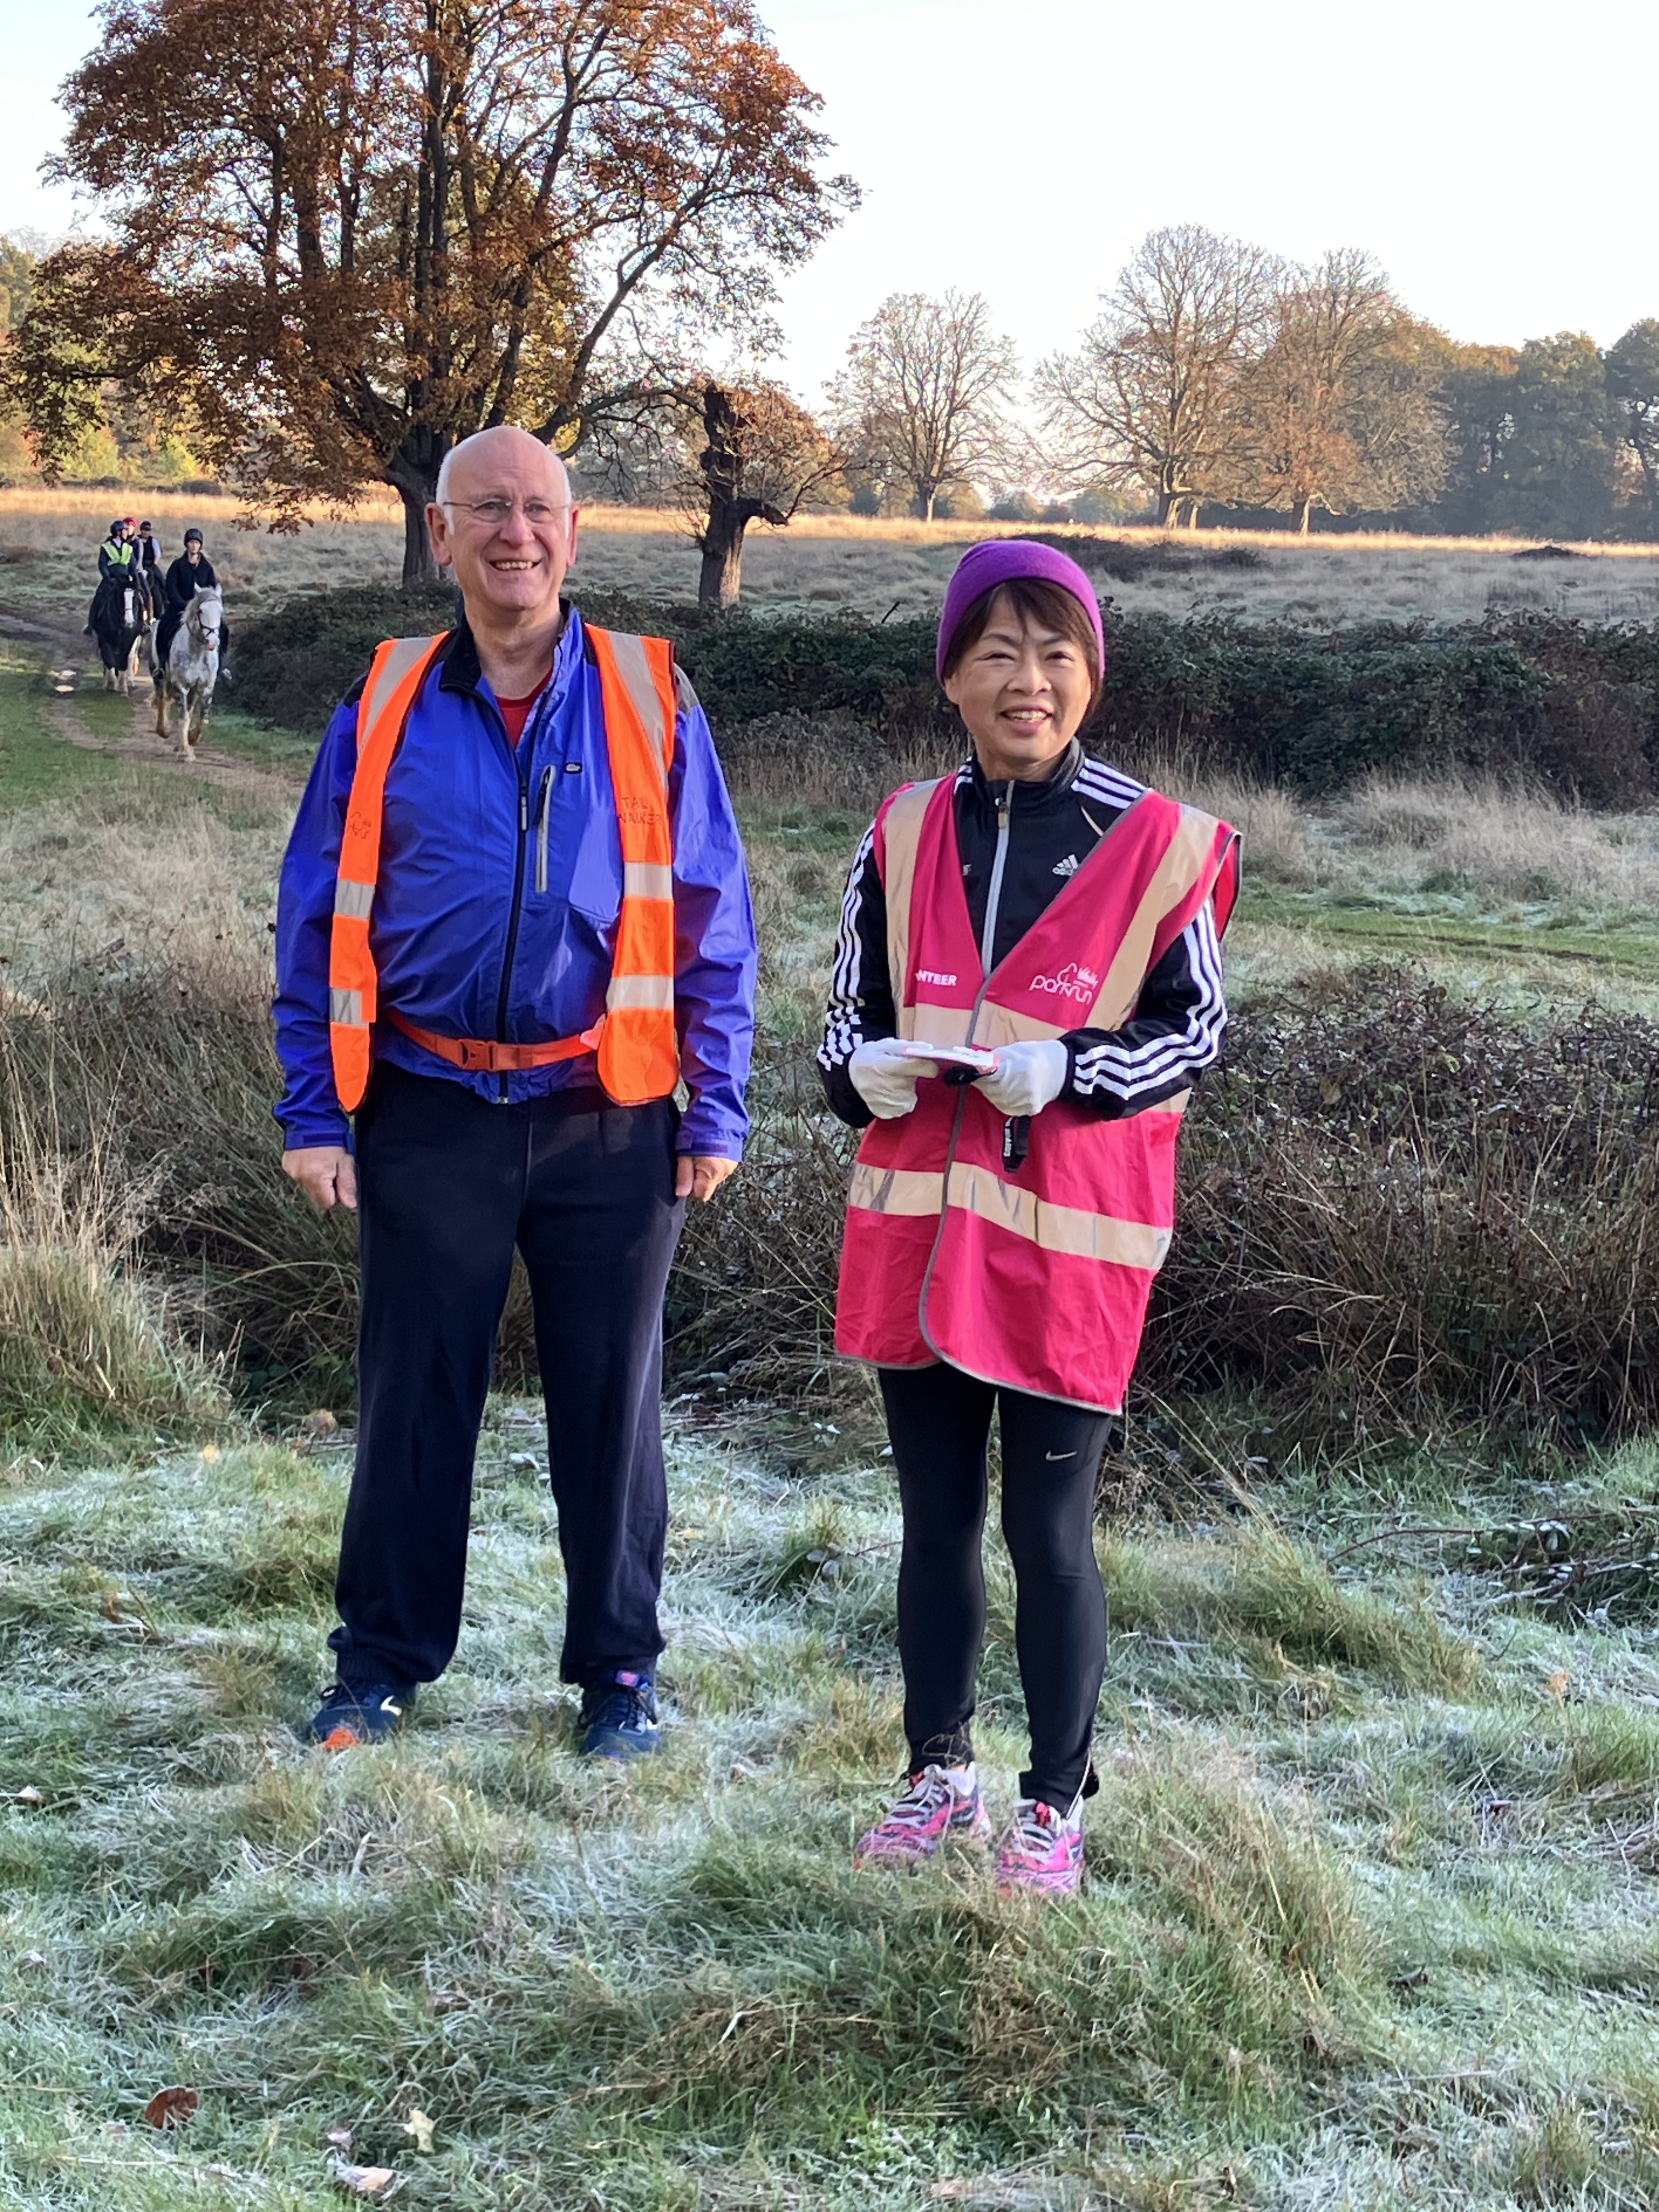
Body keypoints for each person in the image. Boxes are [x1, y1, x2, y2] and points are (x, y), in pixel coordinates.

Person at [274, 425, 756, 1759]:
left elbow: (713, 912)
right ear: (441, 536)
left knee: (613, 1400)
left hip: (612, 1112)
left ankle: (617, 1678)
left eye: (539, 510)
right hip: (425, 1105)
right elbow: (314, 916)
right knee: (413, 1397)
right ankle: (376, 1669)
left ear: (574, 534)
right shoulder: (379, 704)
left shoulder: (655, 697)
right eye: (486, 509)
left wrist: (715, 1106)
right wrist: (314, 1109)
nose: (515, 534)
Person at [819, 540, 1239, 1898]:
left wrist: (1079, 1068)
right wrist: (855, 1072)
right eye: (996, 650)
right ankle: (936, 1775)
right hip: (920, 1236)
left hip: (1070, 1249)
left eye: (1056, 653)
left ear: (1092, 677)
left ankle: (1056, 1802)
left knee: (1048, 1533)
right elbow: (845, 1024)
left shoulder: (1161, 844)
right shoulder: (896, 831)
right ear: (951, 674)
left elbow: (1201, 1026)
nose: (1029, 680)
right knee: (931, 1525)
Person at [154, 528, 227, 677]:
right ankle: (162, 666)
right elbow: (171, 587)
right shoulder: (177, 565)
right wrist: (183, 605)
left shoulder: (207, 568)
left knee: (224, 630)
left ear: (201, 546)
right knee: (163, 626)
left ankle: (221, 667)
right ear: (186, 545)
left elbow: (212, 590)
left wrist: (207, 606)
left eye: (197, 543)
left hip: (203, 612)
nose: (194, 546)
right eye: (191, 543)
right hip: (180, 608)